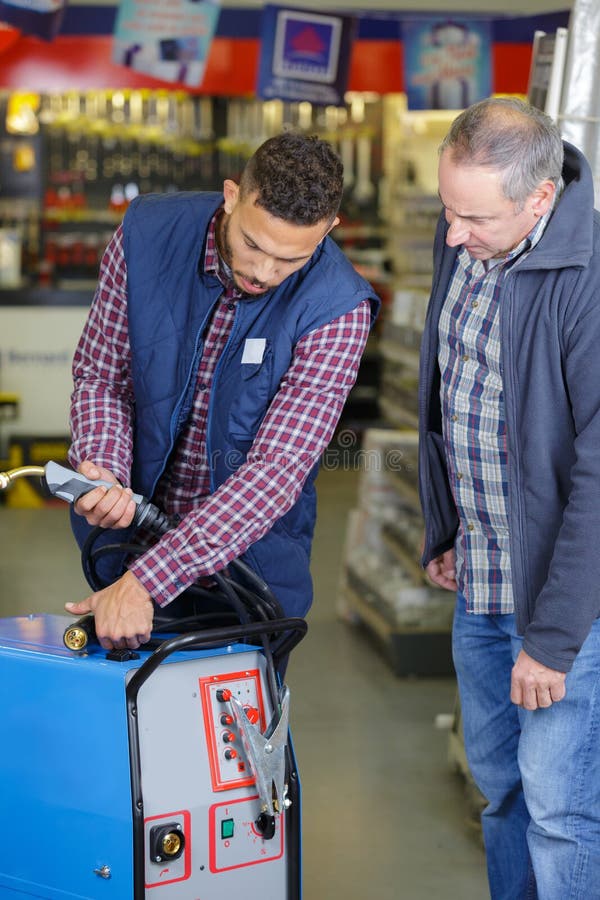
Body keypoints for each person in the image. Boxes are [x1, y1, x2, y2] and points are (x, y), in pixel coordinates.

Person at [64, 131, 379, 652]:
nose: (263, 272)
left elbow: (276, 471)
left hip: (246, 579)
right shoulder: (146, 236)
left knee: (238, 709)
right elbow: (103, 376)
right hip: (125, 553)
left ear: (329, 230)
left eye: (291, 260)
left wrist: (149, 580)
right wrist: (104, 470)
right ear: (232, 196)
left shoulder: (339, 307)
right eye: (253, 244)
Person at [418, 96, 600, 899]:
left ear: (540, 198)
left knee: (562, 815)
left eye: (474, 218)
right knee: (502, 797)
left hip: (562, 609)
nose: (454, 234)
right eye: (446, 210)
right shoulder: (464, 239)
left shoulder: (587, 279)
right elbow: (451, 392)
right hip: (482, 582)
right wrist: (446, 526)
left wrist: (553, 641)